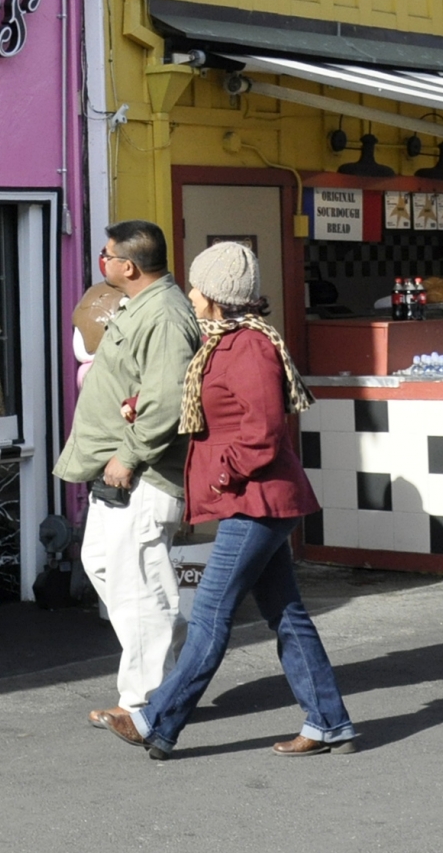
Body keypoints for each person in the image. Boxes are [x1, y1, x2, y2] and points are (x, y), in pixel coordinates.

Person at [101, 241, 358, 761]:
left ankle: (157, 720)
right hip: (254, 500)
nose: (190, 294)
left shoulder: (251, 347)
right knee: (286, 615)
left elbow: (262, 433)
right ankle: (330, 721)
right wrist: (139, 406)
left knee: (210, 616)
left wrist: (220, 478)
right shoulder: (222, 341)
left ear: (217, 295)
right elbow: (212, 408)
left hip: (256, 502)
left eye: (197, 286)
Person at [55, 220, 201, 732]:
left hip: (140, 475)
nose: (101, 263)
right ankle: (171, 662)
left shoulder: (162, 313)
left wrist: (130, 456)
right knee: (106, 566)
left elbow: (165, 399)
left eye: (105, 256)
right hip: (120, 472)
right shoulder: (141, 304)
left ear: (129, 266)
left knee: (137, 585)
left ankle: (145, 701)